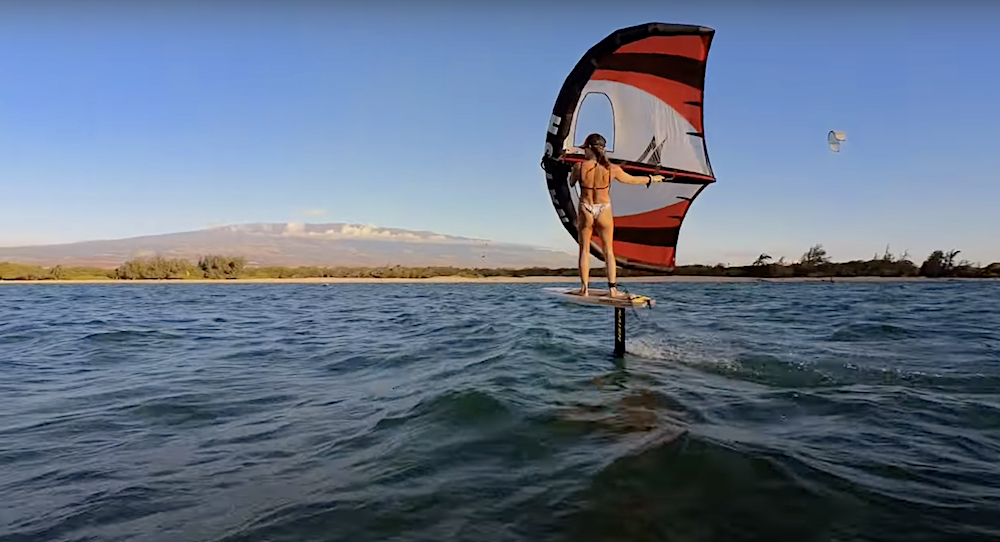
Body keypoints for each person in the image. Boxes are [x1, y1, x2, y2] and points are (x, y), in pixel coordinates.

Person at [569, 133, 664, 298]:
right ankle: (612, 289)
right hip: (604, 208)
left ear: (590, 149)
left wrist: (571, 170)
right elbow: (632, 180)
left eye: (585, 149)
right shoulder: (612, 169)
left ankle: (584, 289)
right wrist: (652, 179)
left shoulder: (579, 166)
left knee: (584, 250)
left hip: (586, 207)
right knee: (608, 250)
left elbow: (571, 183)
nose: (584, 152)